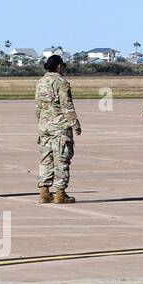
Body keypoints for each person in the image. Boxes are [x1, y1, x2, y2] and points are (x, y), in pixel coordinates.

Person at [35, 54, 82, 203]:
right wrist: (75, 123)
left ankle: (44, 192)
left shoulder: (41, 82)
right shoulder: (61, 82)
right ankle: (60, 193)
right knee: (62, 159)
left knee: (46, 159)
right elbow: (66, 105)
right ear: (59, 66)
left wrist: (40, 123)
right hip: (60, 126)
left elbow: (38, 106)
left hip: (44, 126)